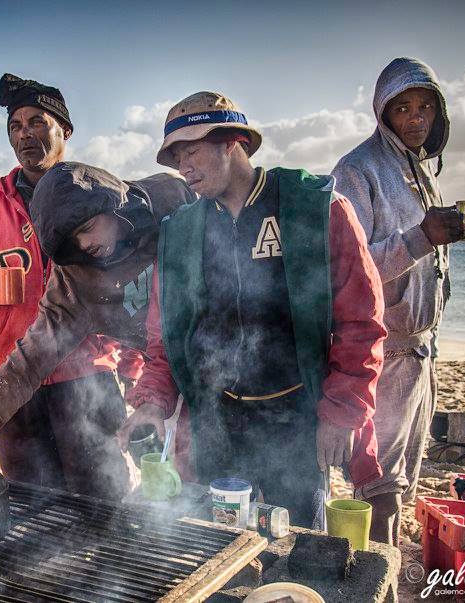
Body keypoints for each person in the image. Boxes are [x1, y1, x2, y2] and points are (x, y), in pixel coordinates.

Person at [119, 92, 387, 525]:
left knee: (297, 542)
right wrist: (151, 402)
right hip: (215, 421)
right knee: (213, 546)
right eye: (176, 157)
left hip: (297, 419)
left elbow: (361, 324)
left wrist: (342, 413)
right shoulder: (182, 234)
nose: (184, 167)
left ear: (233, 141)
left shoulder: (314, 209)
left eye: (193, 150)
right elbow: (165, 338)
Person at [0, 162, 194, 499]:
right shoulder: (73, 283)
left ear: (110, 203)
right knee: (183, 486)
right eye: (73, 240)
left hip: (222, 348)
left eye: (87, 227)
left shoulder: (169, 197)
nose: (85, 245)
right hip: (163, 370)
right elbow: (28, 362)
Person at [0, 75, 139, 497]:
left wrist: (133, 368)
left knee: (101, 499)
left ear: (65, 131)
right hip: (15, 376)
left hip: (87, 373)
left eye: (37, 122)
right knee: (27, 502)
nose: (25, 134)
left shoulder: (98, 199)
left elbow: (133, 289)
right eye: (16, 126)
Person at [332, 57, 461, 545]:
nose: (416, 118)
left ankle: (378, 568)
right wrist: (422, 237)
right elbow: (347, 272)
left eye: (425, 106)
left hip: (420, 352)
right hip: (381, 355)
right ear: (383, 114)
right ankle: (371, 577)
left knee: (404, 471)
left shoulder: (419, 170)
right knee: (377, 485)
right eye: (403, 108)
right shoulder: (357, 170)